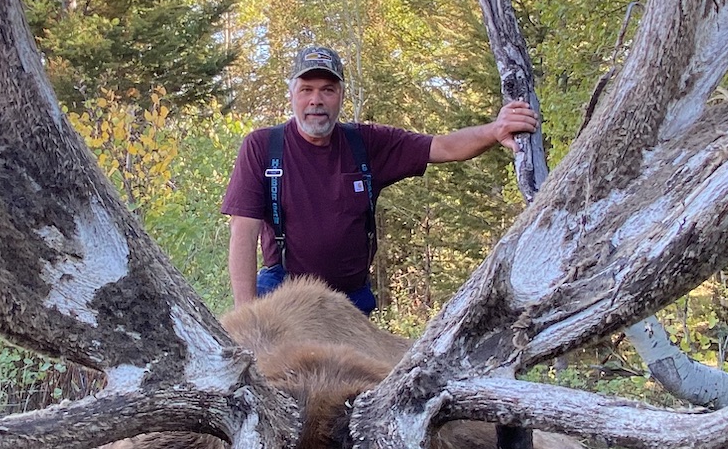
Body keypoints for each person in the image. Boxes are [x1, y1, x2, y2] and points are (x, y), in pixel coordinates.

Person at [222, 44, 539, 314]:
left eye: (327, 90)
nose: (316, 100)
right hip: (283, 295)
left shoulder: (366, 143)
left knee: (353, 383)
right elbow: (242, 235)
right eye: (306, 90)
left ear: (341, 95)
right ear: (292, 93)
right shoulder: (263, 147)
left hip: (349, 301)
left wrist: (495, 130)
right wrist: (247, 320)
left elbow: (442, 146)